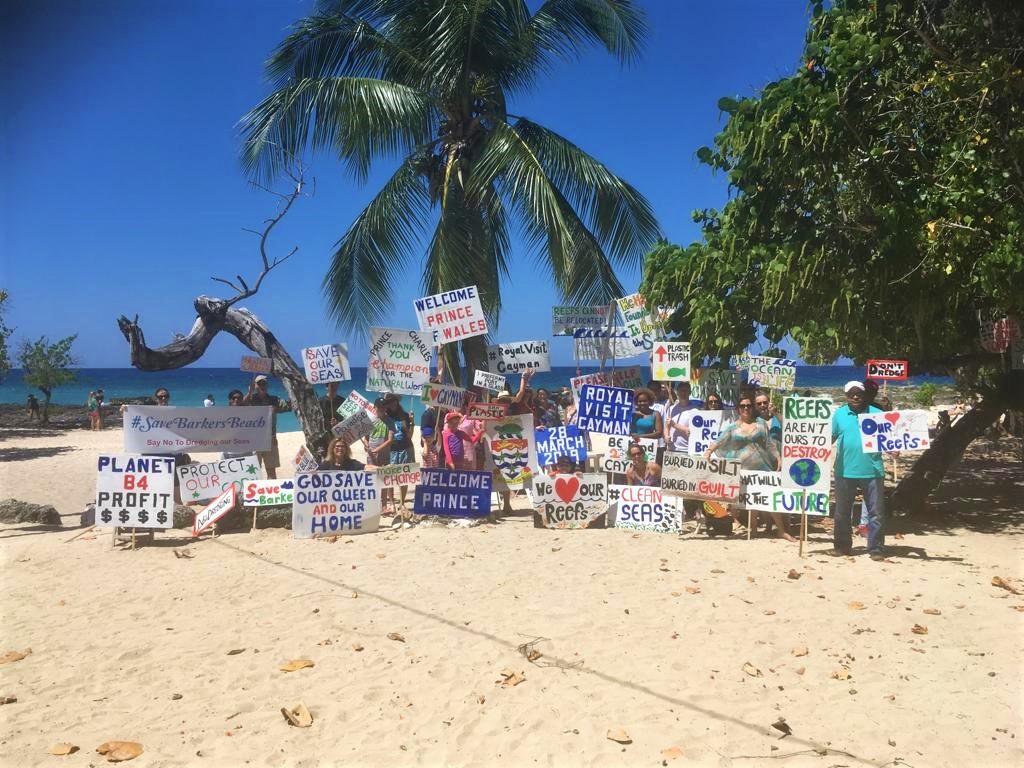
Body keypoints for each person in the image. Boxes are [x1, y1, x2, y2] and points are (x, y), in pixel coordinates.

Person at [704, 392, 792, 540]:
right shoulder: (732, 427)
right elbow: (719, 441)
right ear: (738, 409)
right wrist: (708, 452)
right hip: (743, 469)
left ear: (752, 408)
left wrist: (778, 457)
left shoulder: (760, 424)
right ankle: (754, 529)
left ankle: (781, 530)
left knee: (769, 497)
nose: (746, 408)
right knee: (752, 500)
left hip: (763, 466)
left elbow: (769, 443)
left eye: (749, 406)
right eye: (743, 406)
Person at [832, 381, 886, 559]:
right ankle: (842, 546)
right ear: (845, 395)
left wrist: (894, 449)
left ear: (864, 395)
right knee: (841, 512)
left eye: (858, 393)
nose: (855, 397)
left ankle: (876, 548)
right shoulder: (839, 415)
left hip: (873, 471)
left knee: (876, 513)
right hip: (844, 471)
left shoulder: (877, 414)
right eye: (851, 393)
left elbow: (889, 440)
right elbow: (827, 439)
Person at [244, 374, 291, 480]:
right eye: (259, 384)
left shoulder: (274, 400)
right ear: (255, 386)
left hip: (270, 440)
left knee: (271, 471)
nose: (262, 386)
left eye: (264, 383)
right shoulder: (250, 400)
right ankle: (254, 496)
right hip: (253, 440)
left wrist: (291, 390)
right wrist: (249, 392)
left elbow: (289, 406)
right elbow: (240, 406)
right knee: (253, 472)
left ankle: (271, 495)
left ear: (267, 385)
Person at [664, 381, 697, 453]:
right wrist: (666, 436)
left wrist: (674, 425)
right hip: (672, 449)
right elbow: (666, 426)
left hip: (687, 450)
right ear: (677, 392)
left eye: (685, 391)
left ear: (690, 393)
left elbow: (692, 431)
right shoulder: (671, 408)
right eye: (681, 390)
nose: (683, 393)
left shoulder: (695, 410)